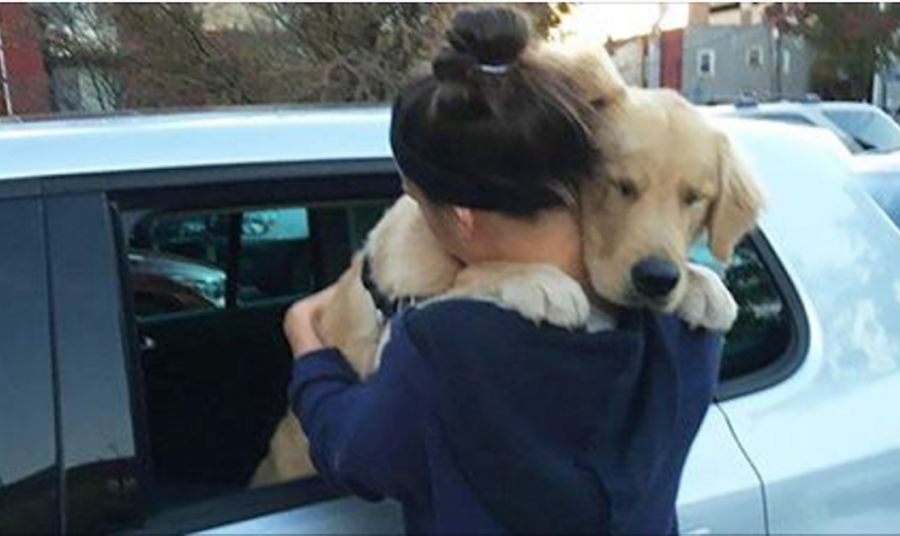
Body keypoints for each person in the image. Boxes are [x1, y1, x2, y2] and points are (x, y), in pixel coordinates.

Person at [282, 7, 722, 534]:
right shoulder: (694, 324)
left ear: (462, 216)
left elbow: (355, 456)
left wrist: (306, 343)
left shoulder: (442, 343)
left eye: (416, 203)